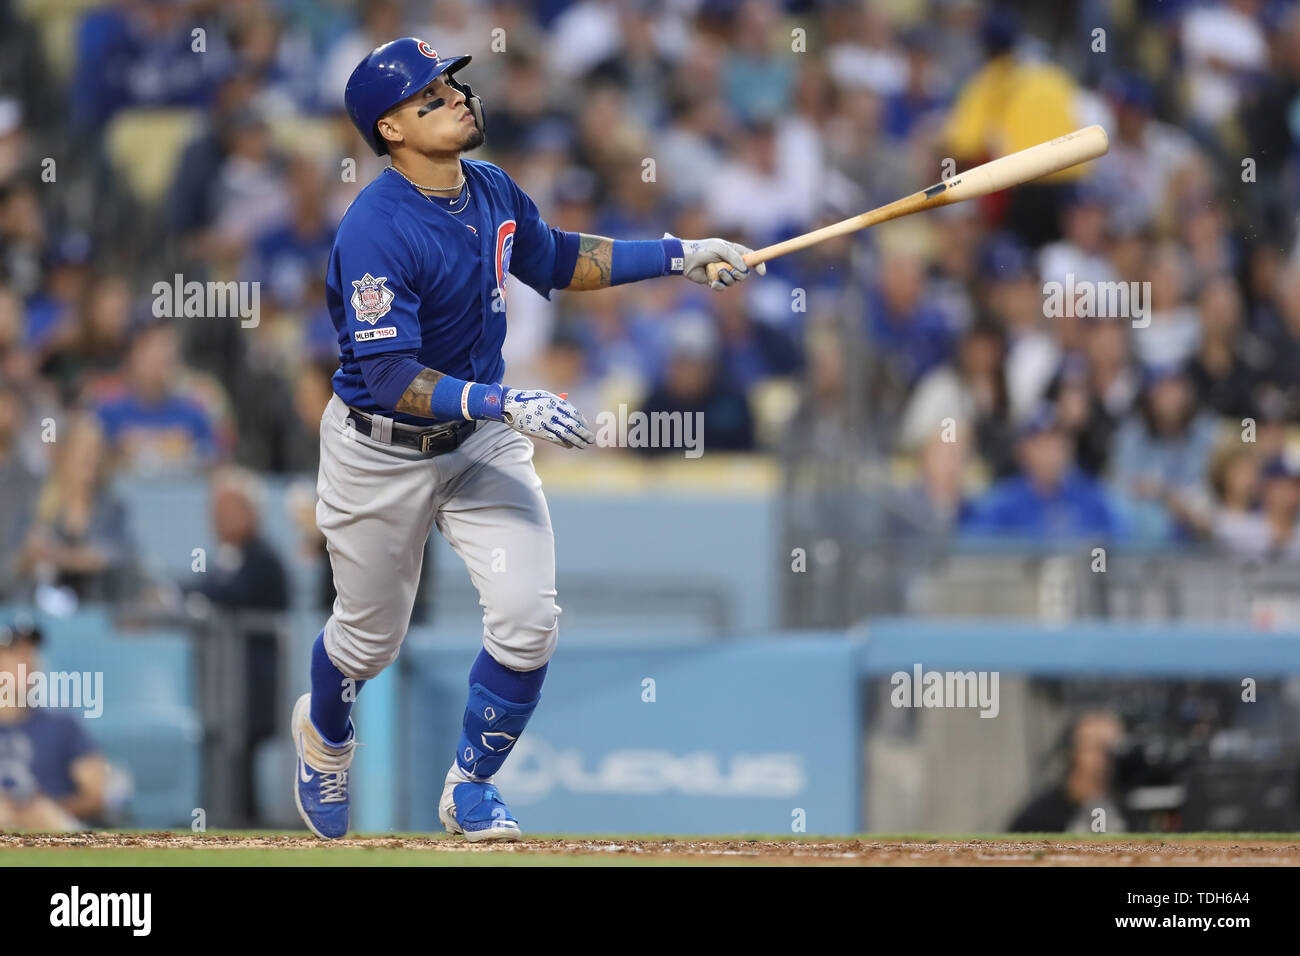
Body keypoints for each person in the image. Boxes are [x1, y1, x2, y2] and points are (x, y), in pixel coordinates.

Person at [292, 37, 765, 842]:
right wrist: (504, 399)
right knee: (369, 640)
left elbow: (556, 259)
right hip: (381, 448)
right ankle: (326, 735)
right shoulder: (374, 229)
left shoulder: (491, 186)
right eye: (430, 96)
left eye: (451, 85)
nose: (455, 98)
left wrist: (679, 255)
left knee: (528, 617)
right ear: (392, 130)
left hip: (479, 438)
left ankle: (470, 786)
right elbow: (385, 378)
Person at [0, 618, 107, 831]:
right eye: (17, 655)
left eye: (31, 654)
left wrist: (44, 811)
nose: (29, 662)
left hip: (54, 830)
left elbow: (96, 795)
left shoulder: (63, 723)